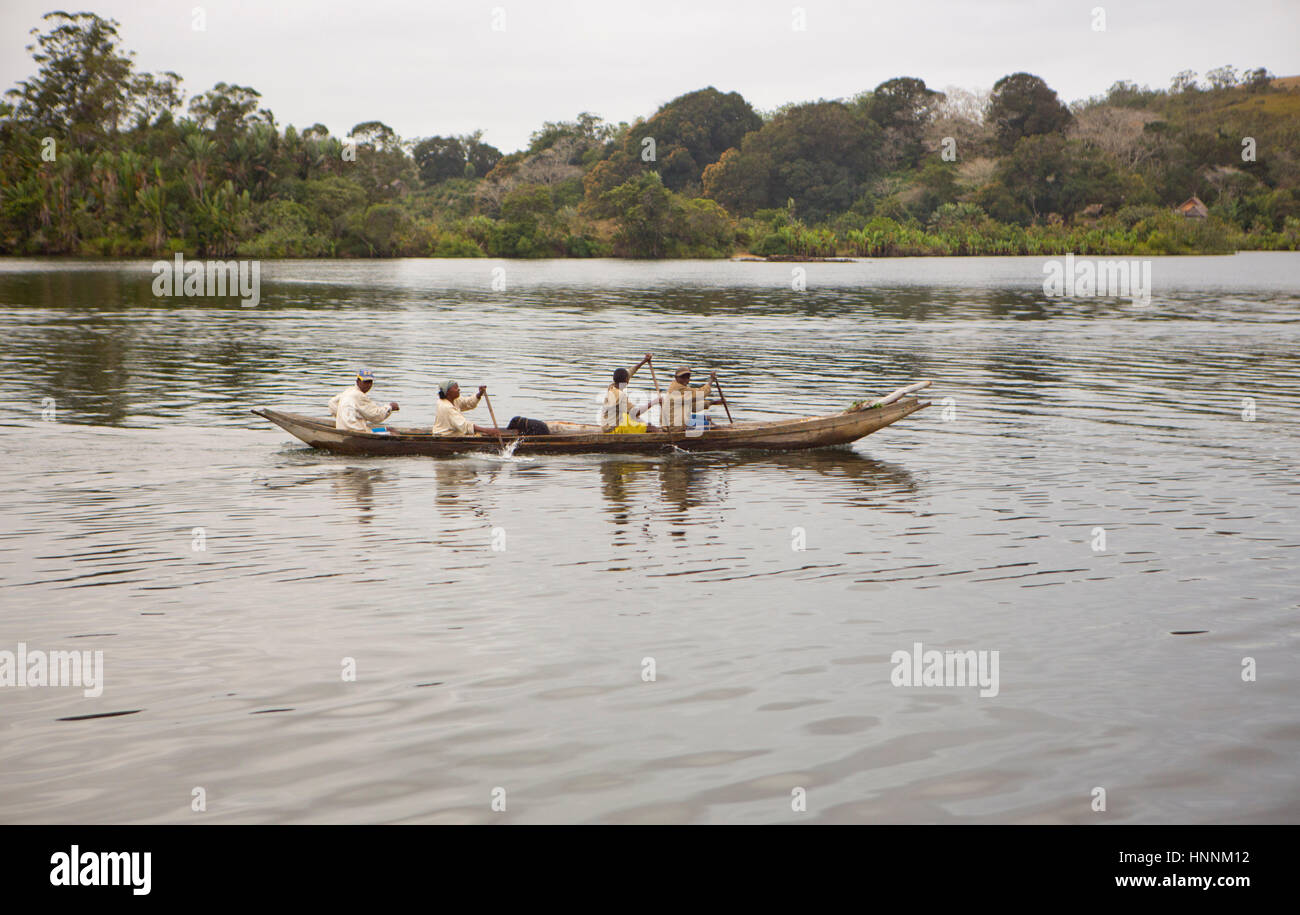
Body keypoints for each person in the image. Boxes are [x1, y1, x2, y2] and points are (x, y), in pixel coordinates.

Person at [601, 353, 661, 433]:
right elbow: (635, 413)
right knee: (651, 428)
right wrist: (654, 402)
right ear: (626, 380)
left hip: (609, 423)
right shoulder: (620, 395)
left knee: (640, 421)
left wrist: (644, 361)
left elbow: (631, 371)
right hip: (613, 429)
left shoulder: (612, 386)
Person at [329, 368, 398, 432]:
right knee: (392, 432)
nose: (368, 385)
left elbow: (332, 403)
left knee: (387, 429)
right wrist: (390, 407)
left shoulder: (348, 391)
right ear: (358, 381)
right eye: (365, 382)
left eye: (370, 382)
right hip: (356, 431)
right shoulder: (359, 395)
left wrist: (343, 417)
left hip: (342, 428)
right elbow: (375, 415)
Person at [432, 380, 508, 436]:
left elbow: (468, 403)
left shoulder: (453, 400)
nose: (458, 389)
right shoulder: (446, 407)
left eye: (458, 387)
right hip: (445, 436)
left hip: (453, 433)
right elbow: (464, 425)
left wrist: (480, 394)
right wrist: (487, 431)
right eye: (455, 388)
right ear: (447, 392)